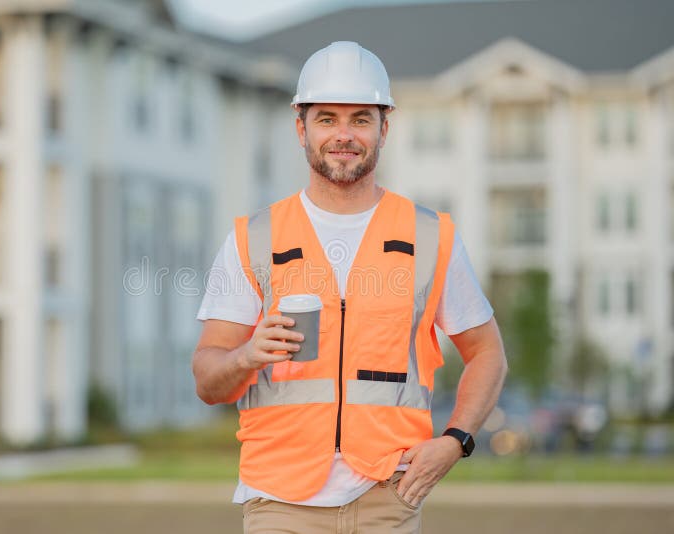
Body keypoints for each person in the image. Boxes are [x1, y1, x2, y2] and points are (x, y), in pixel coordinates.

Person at [193, 41, 508, 533]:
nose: (344, 135)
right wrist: (246, 356)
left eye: (361, 119)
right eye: (327, 119)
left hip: (389, 497)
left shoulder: (431, 237)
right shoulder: (253, 239)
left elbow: (488, 353)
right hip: (279, 501)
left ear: (386, 127)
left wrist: (456, 441)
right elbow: (207, 377)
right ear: (301, 128)